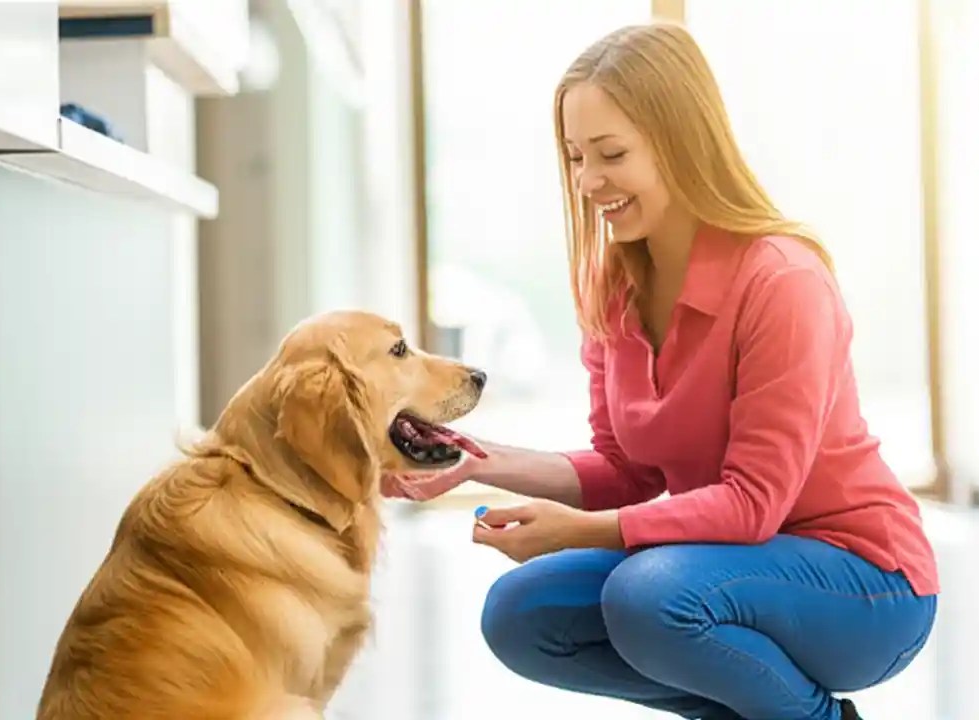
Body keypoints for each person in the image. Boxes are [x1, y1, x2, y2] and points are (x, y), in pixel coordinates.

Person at [383, 21, 938, 720]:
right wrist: (469, 460)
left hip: (866, 585)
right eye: (576, 156)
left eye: (611, 153)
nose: (588, 182)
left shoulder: (783, 282)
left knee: (649, 595)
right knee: (522, 613)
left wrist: (579, 531)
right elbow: (626, 470)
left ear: (682, 143)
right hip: (718, 568)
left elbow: (752, 504)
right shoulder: (616, 290)